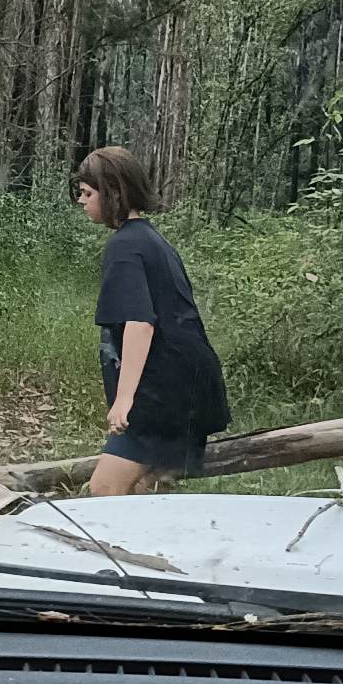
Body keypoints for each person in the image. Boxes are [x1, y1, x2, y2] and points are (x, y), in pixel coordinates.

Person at [74, 145, 229, 496]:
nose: (81, 201)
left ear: (113, 193)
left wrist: (125, 398)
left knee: (104, 490)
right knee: (144, 490)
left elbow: (140, 321)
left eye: (87, 193)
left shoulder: (126, 247)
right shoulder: (150, 239)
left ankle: (115, 551)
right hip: (190, 391)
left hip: (163, 397)